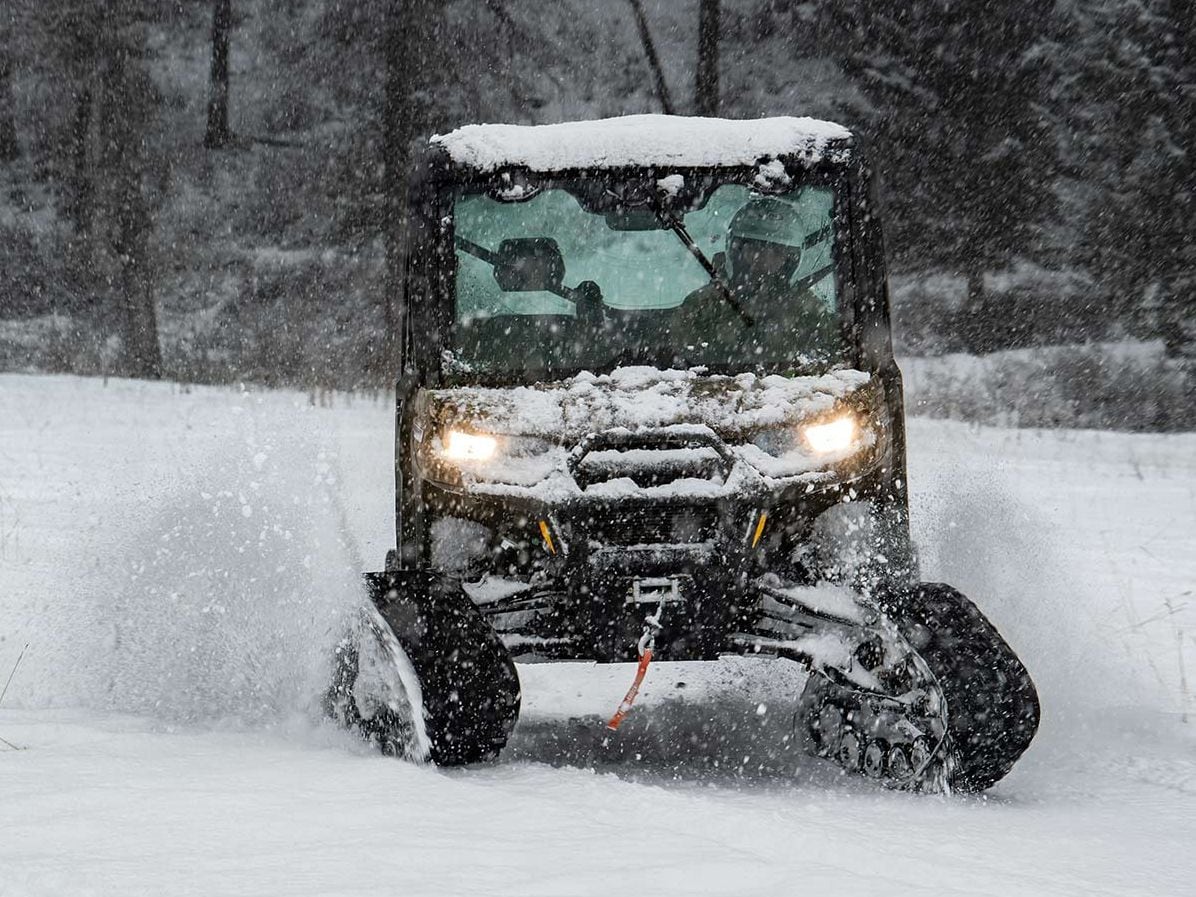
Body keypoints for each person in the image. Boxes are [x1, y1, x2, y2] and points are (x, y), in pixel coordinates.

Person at [672, 197, 839, 365]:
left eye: (776, 252)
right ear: (736, 250)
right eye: (755, 248)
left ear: (790, 259)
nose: (764, 258)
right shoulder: (703, 305)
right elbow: (678, 362)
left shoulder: (807, 308)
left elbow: (834, 359)